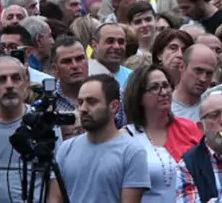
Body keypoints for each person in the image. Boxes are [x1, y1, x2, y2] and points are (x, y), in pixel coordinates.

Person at [0, 57, 61, 202]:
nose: (9, 85)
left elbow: (55, 177)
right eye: (1, 80)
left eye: (16, 78)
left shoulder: (43, 122)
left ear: (26, 83)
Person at [48, 75, 150, 203]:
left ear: (114, 106)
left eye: (92, 102)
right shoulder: (65, 149)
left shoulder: (132, 152)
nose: (83, 109)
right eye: (80, 102)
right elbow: (55, 199)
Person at [123, 65, 202, 202]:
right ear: (139, 97)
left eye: (166, 85)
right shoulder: (127, 137)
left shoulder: (190, 128)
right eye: (154, 87)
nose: (164, 92)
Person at [172, 44, 217, 121]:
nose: (203, 79)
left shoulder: (216, 109)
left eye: (209, 73)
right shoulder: (164, 108)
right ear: (182, 67)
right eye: (198, 71)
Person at [89, 23, 134, 89]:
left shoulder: (132, 78)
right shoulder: (85, 75)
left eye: (121, 42)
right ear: (94, 45)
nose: (117, 46)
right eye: (110, 41)